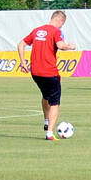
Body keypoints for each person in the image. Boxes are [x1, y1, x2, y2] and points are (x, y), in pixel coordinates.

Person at [17, 11, 75, 140]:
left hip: (36, 72)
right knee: (55, 102)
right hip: (50, 72)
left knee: (45, 96)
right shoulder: (56, 32)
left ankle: (46, 121)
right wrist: (70, 47)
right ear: (60, 21)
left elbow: (21, 44)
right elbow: (60, 45)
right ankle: (49, 133)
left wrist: (23, 62)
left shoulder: (37, 30)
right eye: (62, 24)